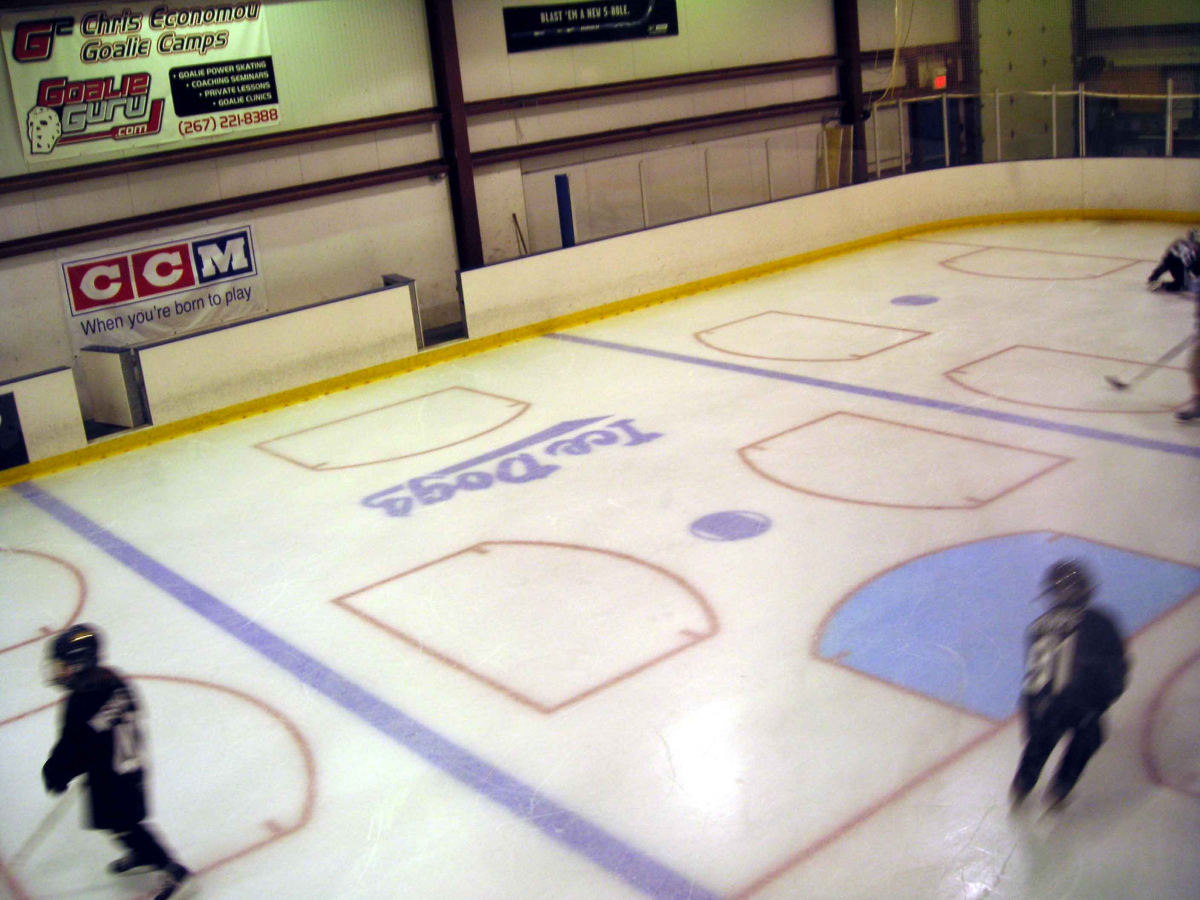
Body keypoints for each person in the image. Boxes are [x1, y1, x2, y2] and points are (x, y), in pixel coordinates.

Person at [42, 624, 193, 900]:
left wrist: (56, 773)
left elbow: (74, 747)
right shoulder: (113, 680)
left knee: (125, 825)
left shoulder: (81, 701)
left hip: (114, 774)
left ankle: (173, 870)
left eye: (63, 665)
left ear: (80, 664)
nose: (58, 671)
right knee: (116, 822)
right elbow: (130, 713)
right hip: (126, 766)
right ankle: (140, 854)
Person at [1010, 559, 1128, 809]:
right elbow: (1114, 668)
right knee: (1090, 736)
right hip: (1076, 700)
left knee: (1040, 741)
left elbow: (1035, 670)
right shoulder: (1098, 621)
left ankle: (1021, 786)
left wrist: (1031, 712)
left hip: (1035, 704)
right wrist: (1103, 700)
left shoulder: (1036, 626)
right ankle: (1059, 790)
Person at [1147, 228, 1199, 294]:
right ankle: (1162, 285)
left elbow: (1167, 260)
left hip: (1171, 260)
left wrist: (1155, 274)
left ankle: (1155, 279)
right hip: (1179, 263)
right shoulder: (1195, 248)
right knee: (1182, 285)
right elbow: (1191, 265)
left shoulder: (1180, 241)